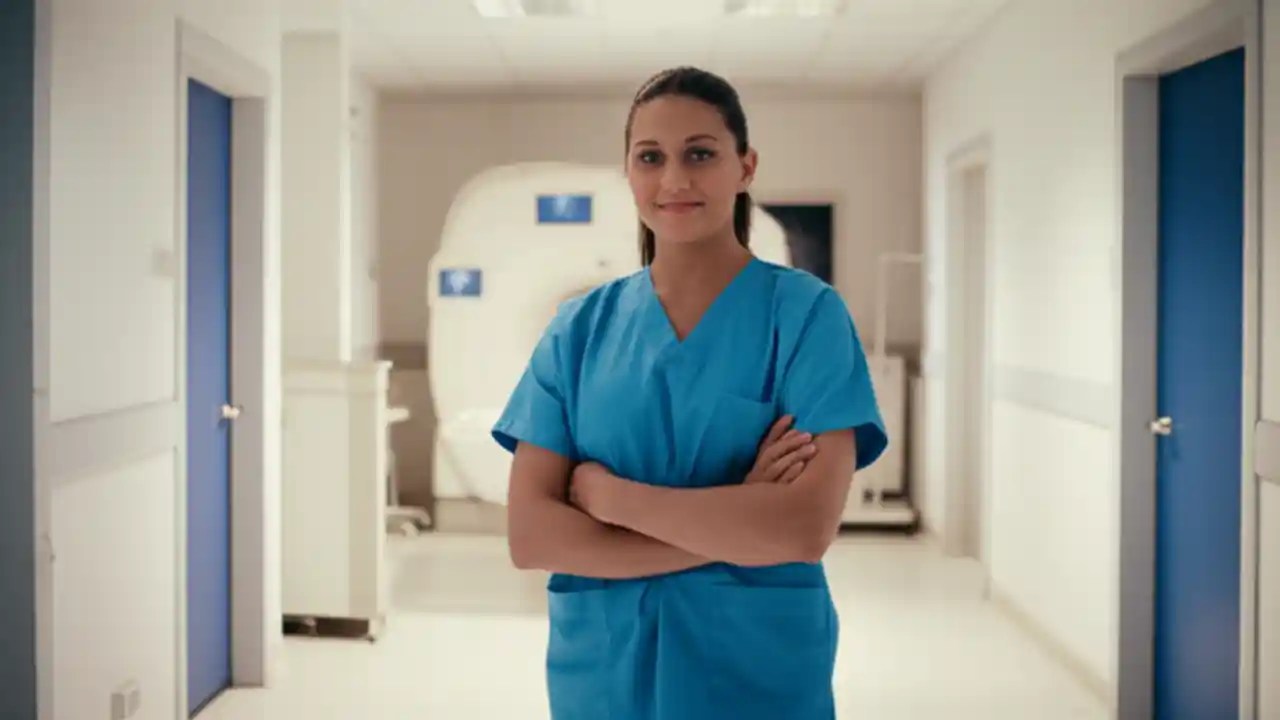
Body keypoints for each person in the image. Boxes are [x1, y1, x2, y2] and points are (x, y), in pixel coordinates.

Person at [491, 66, 888, 720]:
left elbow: (803, 527)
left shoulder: (806, 316)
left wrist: (611, 499)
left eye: (700, 154)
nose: (674, 179)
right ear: (629, 172)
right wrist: (737, 515)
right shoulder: (580, 330)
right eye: (651, 157)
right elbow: (531, 537)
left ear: (745, 166)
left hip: (754, 671)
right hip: (605, 675)